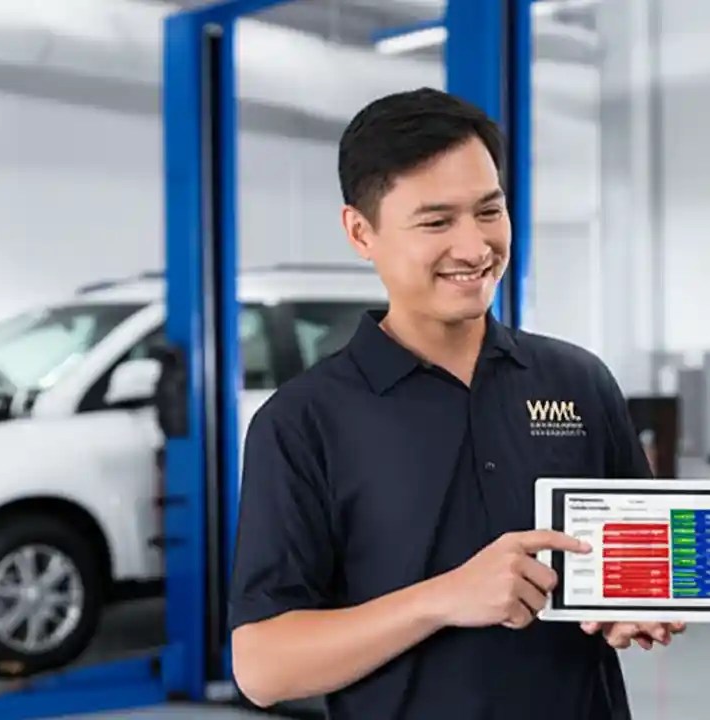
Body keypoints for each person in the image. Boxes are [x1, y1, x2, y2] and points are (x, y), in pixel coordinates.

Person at [227, 87, 681, 720]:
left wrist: (635, 607)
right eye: (437, 222)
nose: (474, 248)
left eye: (489, 211)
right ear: (361, 231)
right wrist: (443, 598)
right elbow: (263, 666)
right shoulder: (303, 422)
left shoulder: (578, 381)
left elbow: (637, 568)